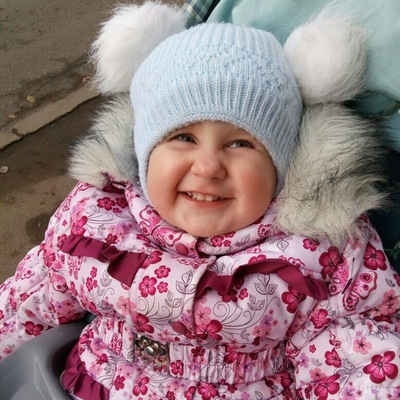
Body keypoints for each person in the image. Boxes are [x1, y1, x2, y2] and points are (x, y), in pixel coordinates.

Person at [0, 2, 400, 399]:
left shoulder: (319, 256)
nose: (208, 167)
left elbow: (357, 359)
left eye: (240, 144)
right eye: (183, 137)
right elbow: (31, 299)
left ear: (280, 168)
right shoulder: (96, 216)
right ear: (143, 152)